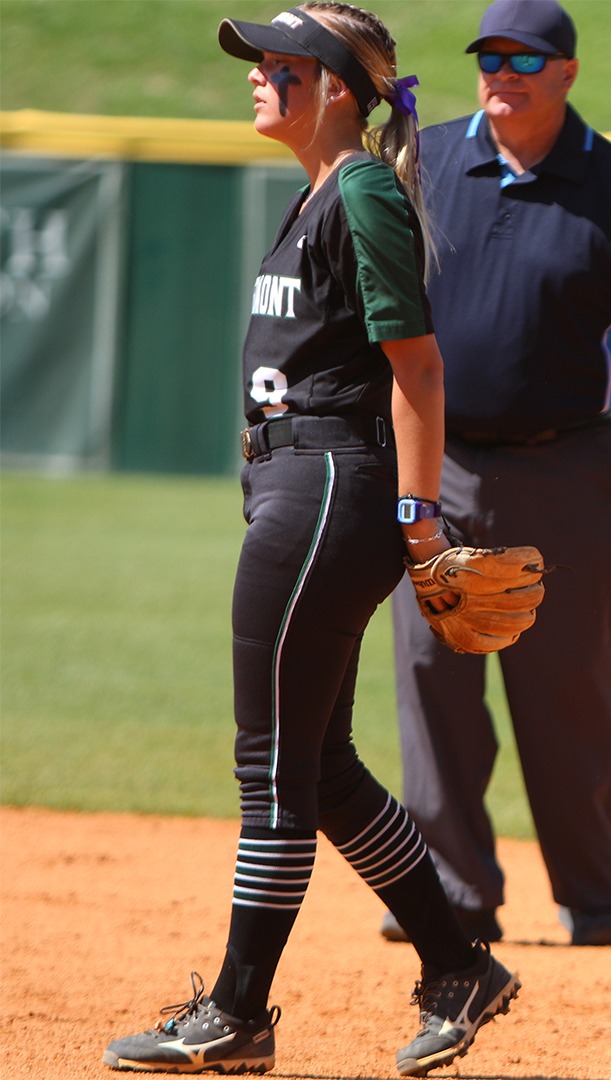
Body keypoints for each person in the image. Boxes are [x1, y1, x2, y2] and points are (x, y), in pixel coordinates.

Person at [104, 4, 521, 1075]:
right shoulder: (323, 193)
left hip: (332, 485)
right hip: (300, 482)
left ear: (335, 86)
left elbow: (418, 370)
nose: (257, 77)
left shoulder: (366, 190)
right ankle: (458, 964)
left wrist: (421, 527)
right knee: (320, 766)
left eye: (278, 64)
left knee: (273, 765)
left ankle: (239, 1014)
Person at [380, 0, 611, 950]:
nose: (504, 71)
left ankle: (589, 897)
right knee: (430, 676)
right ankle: (451, 891)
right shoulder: (426, 162)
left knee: (564, 687)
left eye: (526, 57)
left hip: (565, 467)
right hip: (434, 464)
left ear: (567, 72)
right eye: (490, 55)